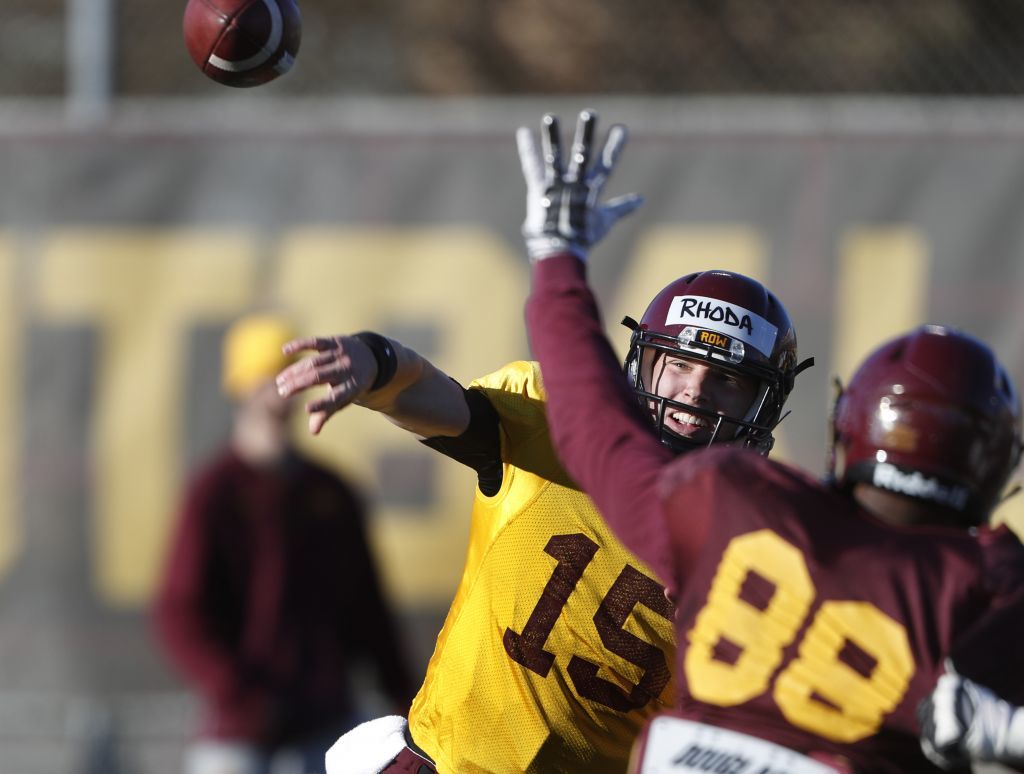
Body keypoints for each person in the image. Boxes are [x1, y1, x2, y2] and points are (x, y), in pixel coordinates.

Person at [519, 109, 1024, 772]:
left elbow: (593, 422)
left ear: (850, 426)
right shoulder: (989, 583)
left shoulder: (734, 504)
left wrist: (559, 262)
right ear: (993, 469)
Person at [273, 156, 810, 772]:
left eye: (727, 381)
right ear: (643, 361)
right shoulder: (555, 421)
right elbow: (431, 397)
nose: (695, 392)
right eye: (680, 365)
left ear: (765, 403)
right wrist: (375, 364)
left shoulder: (758, 542)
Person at [154, 314, 415, 774]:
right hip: (240, 732)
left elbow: (368, 612)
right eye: (269, 378)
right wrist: (238, 692)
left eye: (289, 379)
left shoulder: (331, 492)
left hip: (326, 721)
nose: (281, 392)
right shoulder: (214, 493)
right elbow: (180, 611)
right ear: (242, 385)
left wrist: (409, 701)